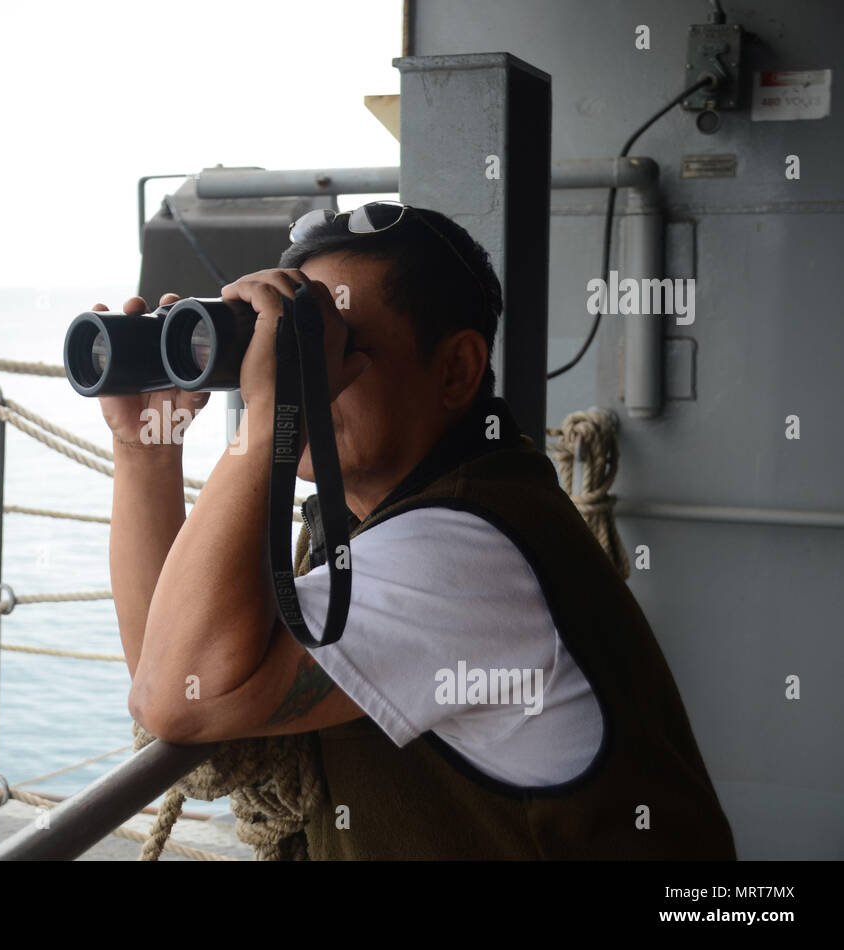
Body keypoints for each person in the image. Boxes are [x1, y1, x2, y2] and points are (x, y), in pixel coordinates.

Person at [95, 200, 735, 859]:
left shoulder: (461, 557)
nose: (310, 379)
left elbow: (178, 699)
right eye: (299, 350)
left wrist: (269, 419)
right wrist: (148, 448)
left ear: (456, 368)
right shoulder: (403, 516)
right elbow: (171, 671)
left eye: (334, 348)